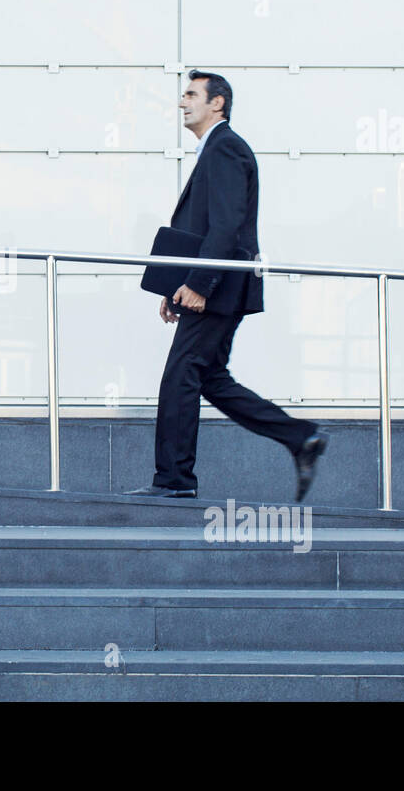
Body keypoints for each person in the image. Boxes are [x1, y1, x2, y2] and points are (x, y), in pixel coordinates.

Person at [126, 70, 327, 501]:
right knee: (210, 378)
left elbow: (227, 224)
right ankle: (300, 438)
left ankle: (174, 482)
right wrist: (177, 284)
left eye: (191, 94)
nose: (182, 103)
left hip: (218, 290)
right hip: (216, 286)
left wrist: (199, 284)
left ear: (217, 103)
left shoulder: (225, 149)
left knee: (180, 377)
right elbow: (207, 227)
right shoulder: (216, 150)